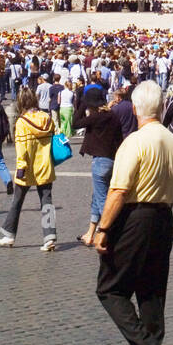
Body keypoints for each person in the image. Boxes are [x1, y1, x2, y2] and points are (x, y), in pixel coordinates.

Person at [94, 81, 173, 345]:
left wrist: (103, 229)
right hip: (164, 218)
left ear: (134, 109)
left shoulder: (134, 141)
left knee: (110, 288)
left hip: (136, 217)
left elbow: (118, 190)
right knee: (152, 291)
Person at [0, 87, 56, 251]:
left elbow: (21, 149)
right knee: (47, 202)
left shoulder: (22, 122)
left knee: (17, 202)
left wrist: (20, 168)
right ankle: (49, 237)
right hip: (45, 165)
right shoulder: (47, 118)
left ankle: (9, 235)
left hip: (27, 167)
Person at [75, 85, 123, 247]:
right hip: (112, 161)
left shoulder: (96, 117)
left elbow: (75, 123)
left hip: (100, 162)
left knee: (103, 201)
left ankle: (112, 235)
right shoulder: (113, 116)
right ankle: (90, 234)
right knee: (96, 198)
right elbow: (120, 139)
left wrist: (82, 104)